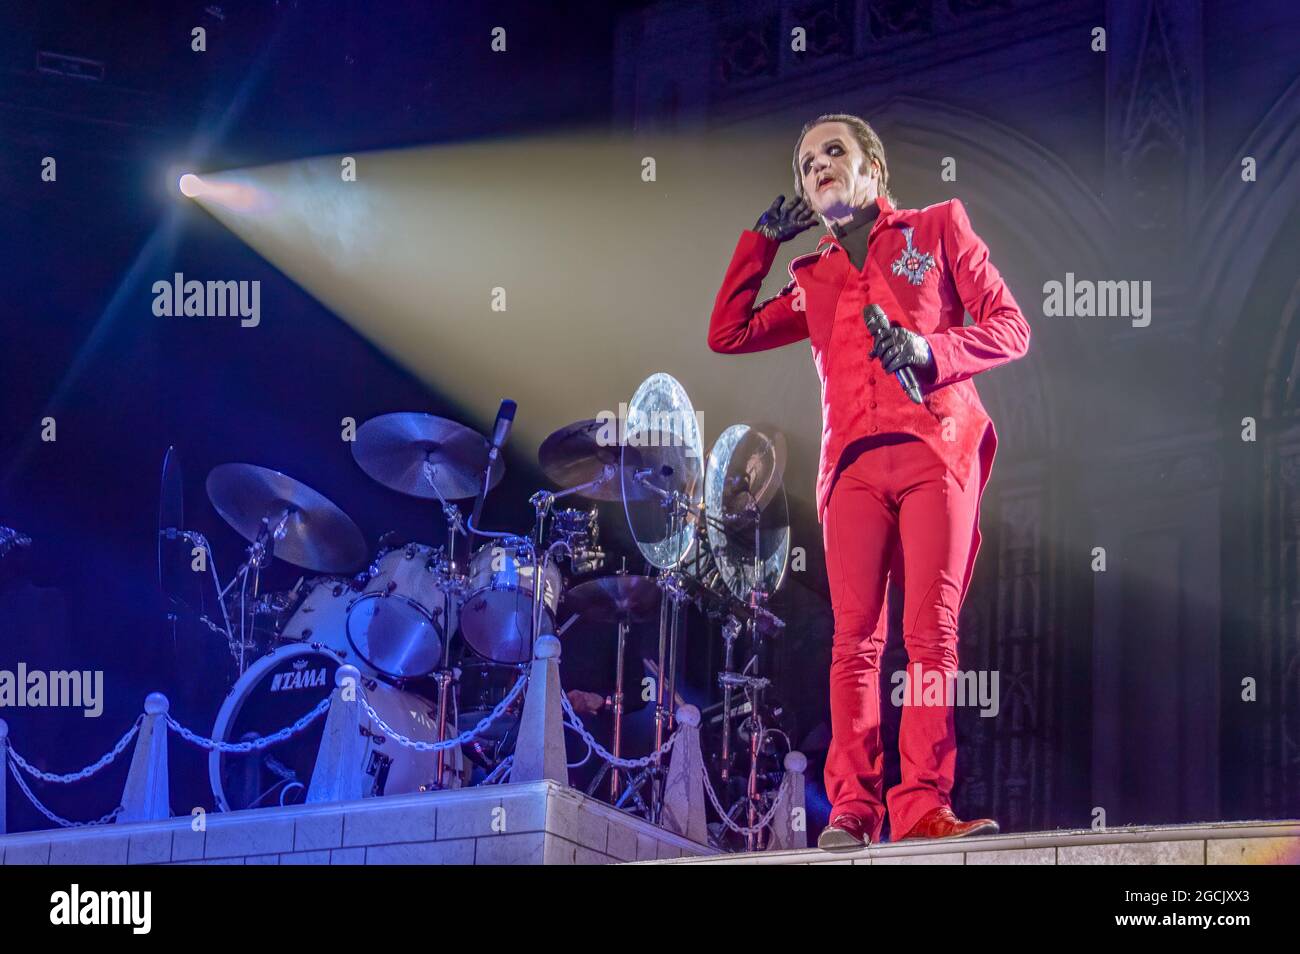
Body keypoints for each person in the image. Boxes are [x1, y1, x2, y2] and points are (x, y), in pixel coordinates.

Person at [708, 114, 1029, 848]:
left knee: (930, 635)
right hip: (851, 469)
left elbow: (1011, 327)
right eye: (805, 162)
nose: (817, 165)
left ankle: (922, 807)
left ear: (873, 170)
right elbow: (726, 333)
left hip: (933, 451)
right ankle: (853, 810)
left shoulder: (937, 229)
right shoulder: (811, 274)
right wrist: (760, 242)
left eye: (833, 152)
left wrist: (927, 349)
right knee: (853, 640)